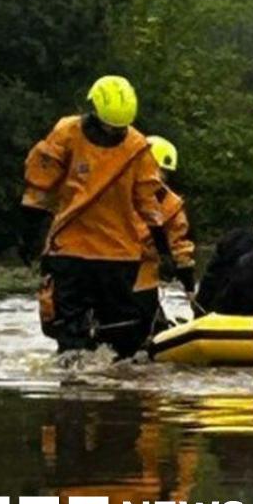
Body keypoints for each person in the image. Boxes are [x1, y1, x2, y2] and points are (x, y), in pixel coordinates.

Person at [20, 75, 172, 358]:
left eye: (119, 130)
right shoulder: (69, 135)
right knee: (75, 332)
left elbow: (148, 204)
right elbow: (39, 187)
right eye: (108, 127)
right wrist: (30, 234)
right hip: (82, 251)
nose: (112, 134)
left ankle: (87, 388)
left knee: (116, 332)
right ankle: (96, 389)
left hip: (110, 254)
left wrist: (164, 251)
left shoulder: (136, 148)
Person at [132, 135, 196, 340]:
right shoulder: (114, 194)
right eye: (158, 170)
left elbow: (180, 247)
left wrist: (189, 287)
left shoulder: (172, 205)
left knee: (150, 328)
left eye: (164, 173)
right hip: (108, 266)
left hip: (143, 275)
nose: (159, 178)